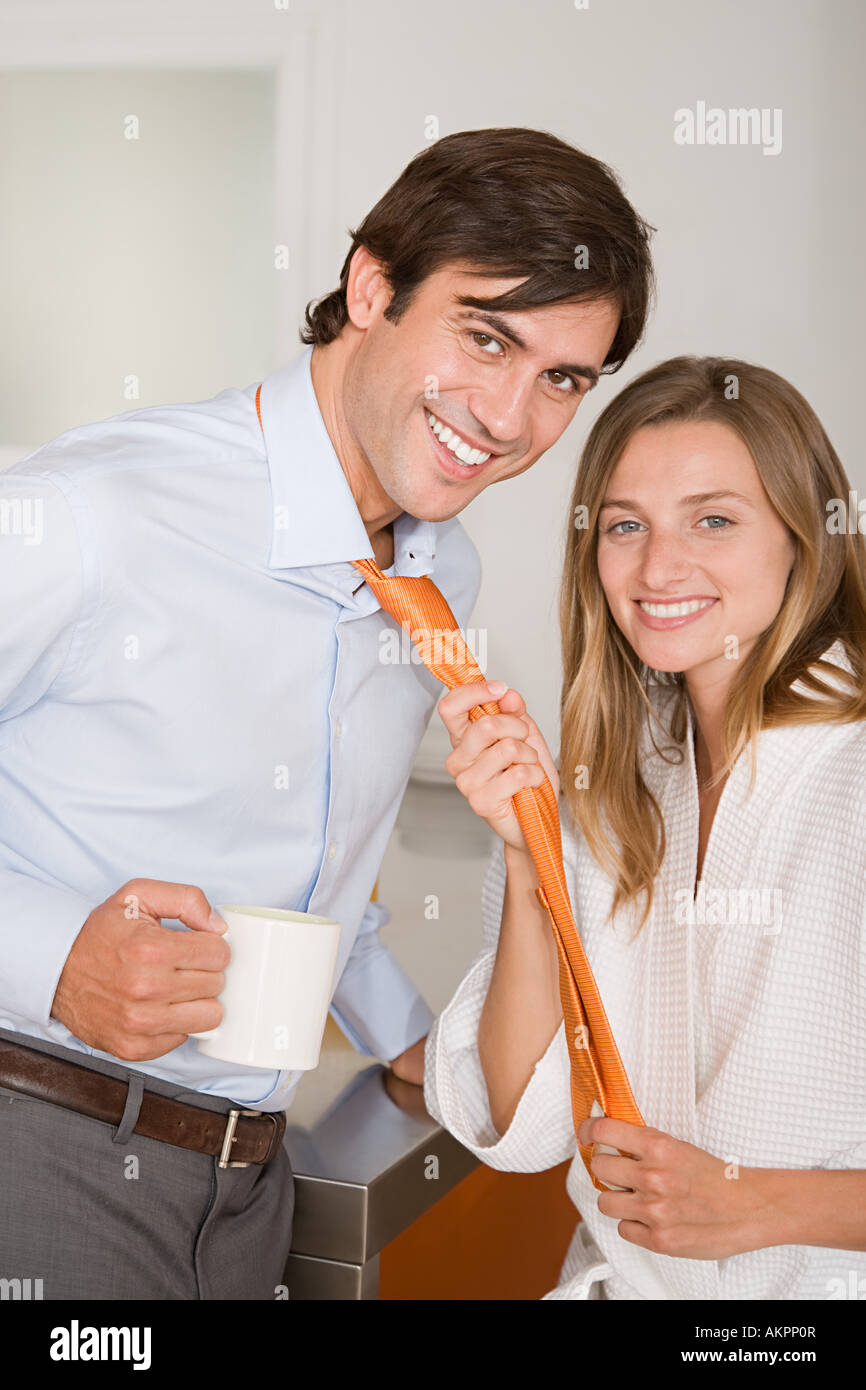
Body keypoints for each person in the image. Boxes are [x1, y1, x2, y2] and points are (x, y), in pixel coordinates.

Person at [0, 127, 654, 1298]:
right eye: (486, 335)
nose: (509, 417)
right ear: (370, 288)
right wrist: (51, 959)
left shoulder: (436, 577)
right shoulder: (94, 513)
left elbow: (305, 842)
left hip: (247, 1188)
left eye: (560, 378)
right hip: (37, 1142)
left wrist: (402, 1029)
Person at [425, 355, 866, 1301]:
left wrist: (767, 1205)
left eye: (714, 519)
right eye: (626, 525)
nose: (660, 567)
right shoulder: (618, 787)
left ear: (807, 536)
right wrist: (528, 845)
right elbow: (523, 1121)